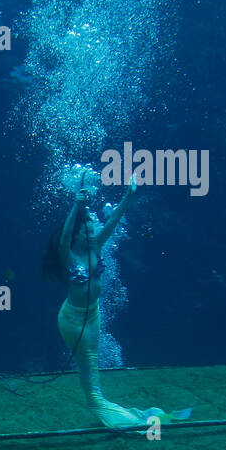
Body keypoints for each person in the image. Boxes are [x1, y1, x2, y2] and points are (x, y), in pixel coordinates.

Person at [42, 172, 162, 428]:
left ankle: (100, 401)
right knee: (88, 360)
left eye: (92, 224)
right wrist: (77, 205)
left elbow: (115, 219)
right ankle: (96, 401)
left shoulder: (95, 246)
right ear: (76, 234)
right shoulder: (69, 256)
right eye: (86, 226)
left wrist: (129, 194)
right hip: (72, 319)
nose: (93, 227)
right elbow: (63, 238)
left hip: (93, 315)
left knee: (92, 359)